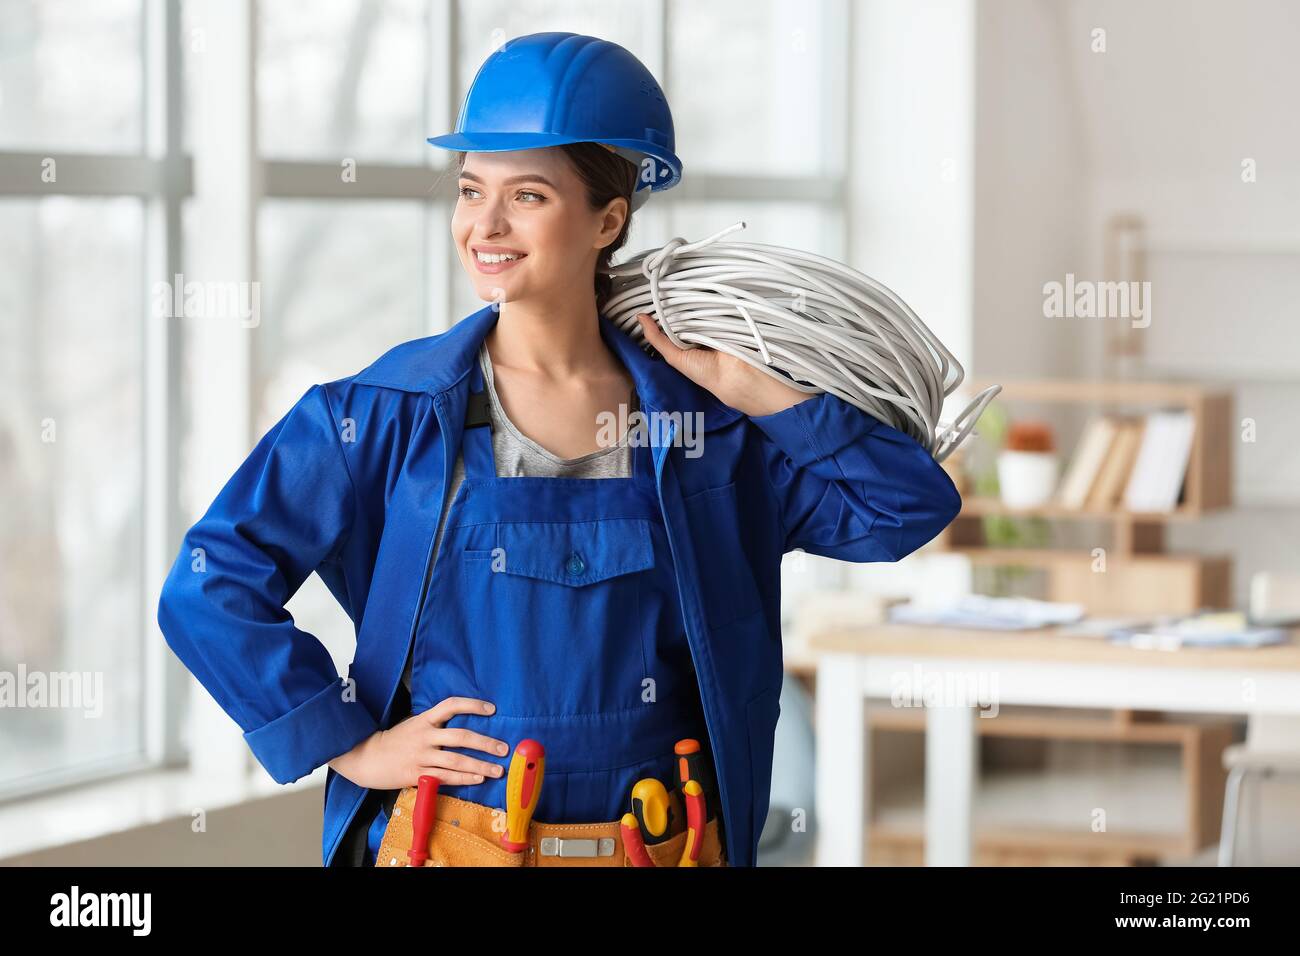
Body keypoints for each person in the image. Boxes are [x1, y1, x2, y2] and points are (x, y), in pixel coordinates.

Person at [156, 32, 962, 868]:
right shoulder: (383, 415)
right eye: (471, 191)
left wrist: (758, 391)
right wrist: (350, 745)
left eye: (528, 196)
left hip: (665, 846)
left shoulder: (710, 434)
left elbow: (902, 509)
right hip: (447, 844)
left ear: (607, 219)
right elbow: (210, 585)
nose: (485, 225)